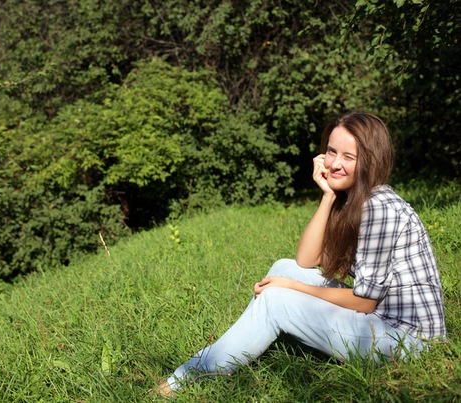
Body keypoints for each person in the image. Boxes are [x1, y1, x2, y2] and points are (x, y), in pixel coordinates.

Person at [156, 111, 447, 396]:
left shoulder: (379, 209)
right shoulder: (355, 202)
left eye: (348, 156)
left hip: (408, 342)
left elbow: (365, 302)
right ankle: (227, 352)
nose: (334, 163)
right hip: (384, 320)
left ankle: (189, 376)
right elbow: (306, 260)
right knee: (284, 267)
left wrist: (292, 287)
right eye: (331, 152)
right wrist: (328, 195)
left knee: (276, 299)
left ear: (370, 161)